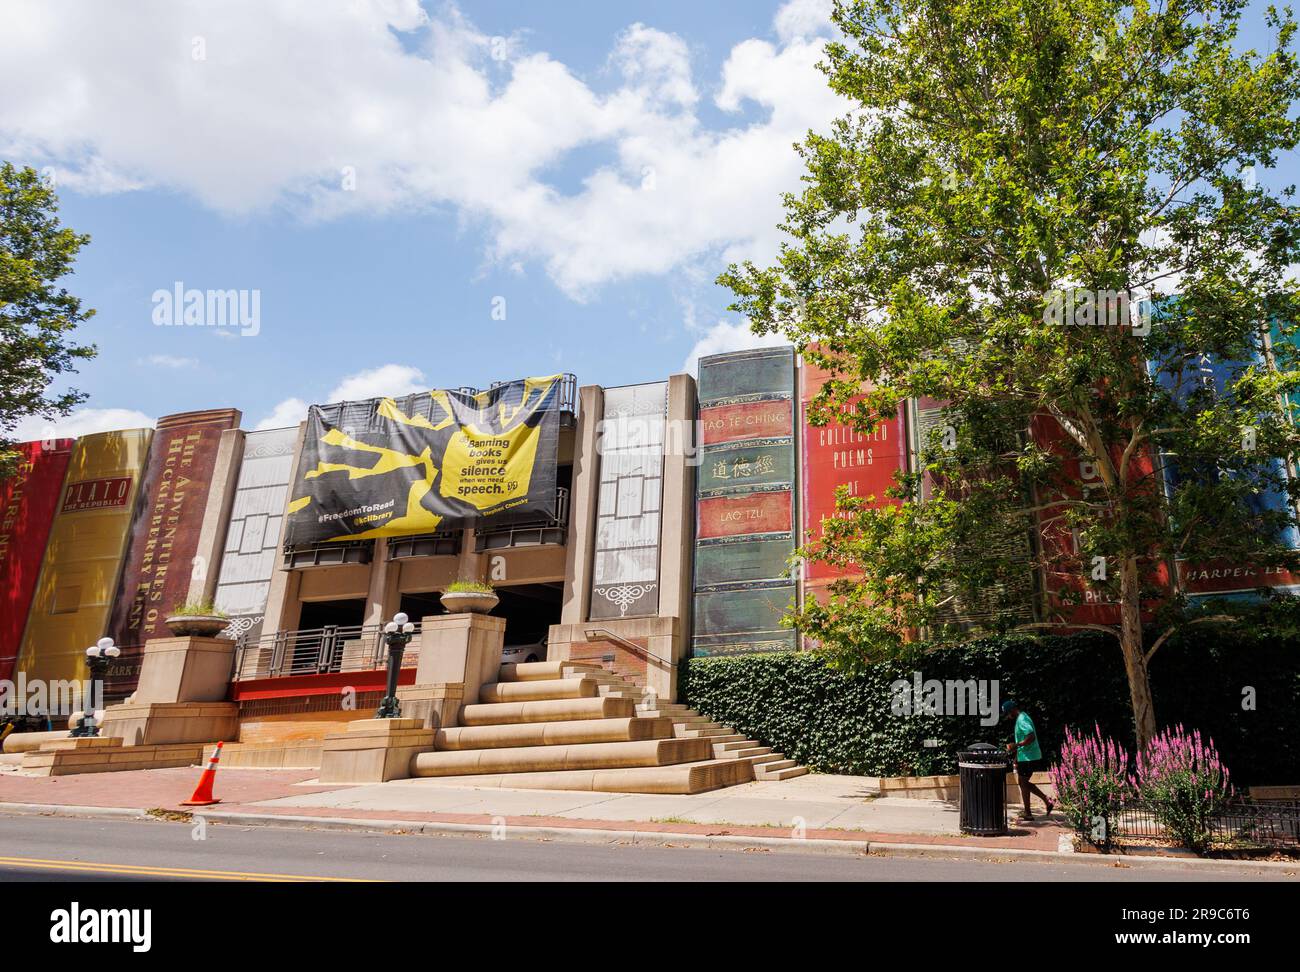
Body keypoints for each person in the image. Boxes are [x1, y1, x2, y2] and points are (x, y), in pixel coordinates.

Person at [1001, 700, 1054, 821]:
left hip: (1029, 757)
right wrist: (1016, 758)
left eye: (1008, 714)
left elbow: (1031, 736)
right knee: (1023, 783)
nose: (1008, 717)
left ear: (1012, 710)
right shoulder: (1022, 717)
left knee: (1024, 783)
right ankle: (1033, 809)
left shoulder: (1022, 720)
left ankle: (1038, 805)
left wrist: (1016, 745)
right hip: (1025, 757)